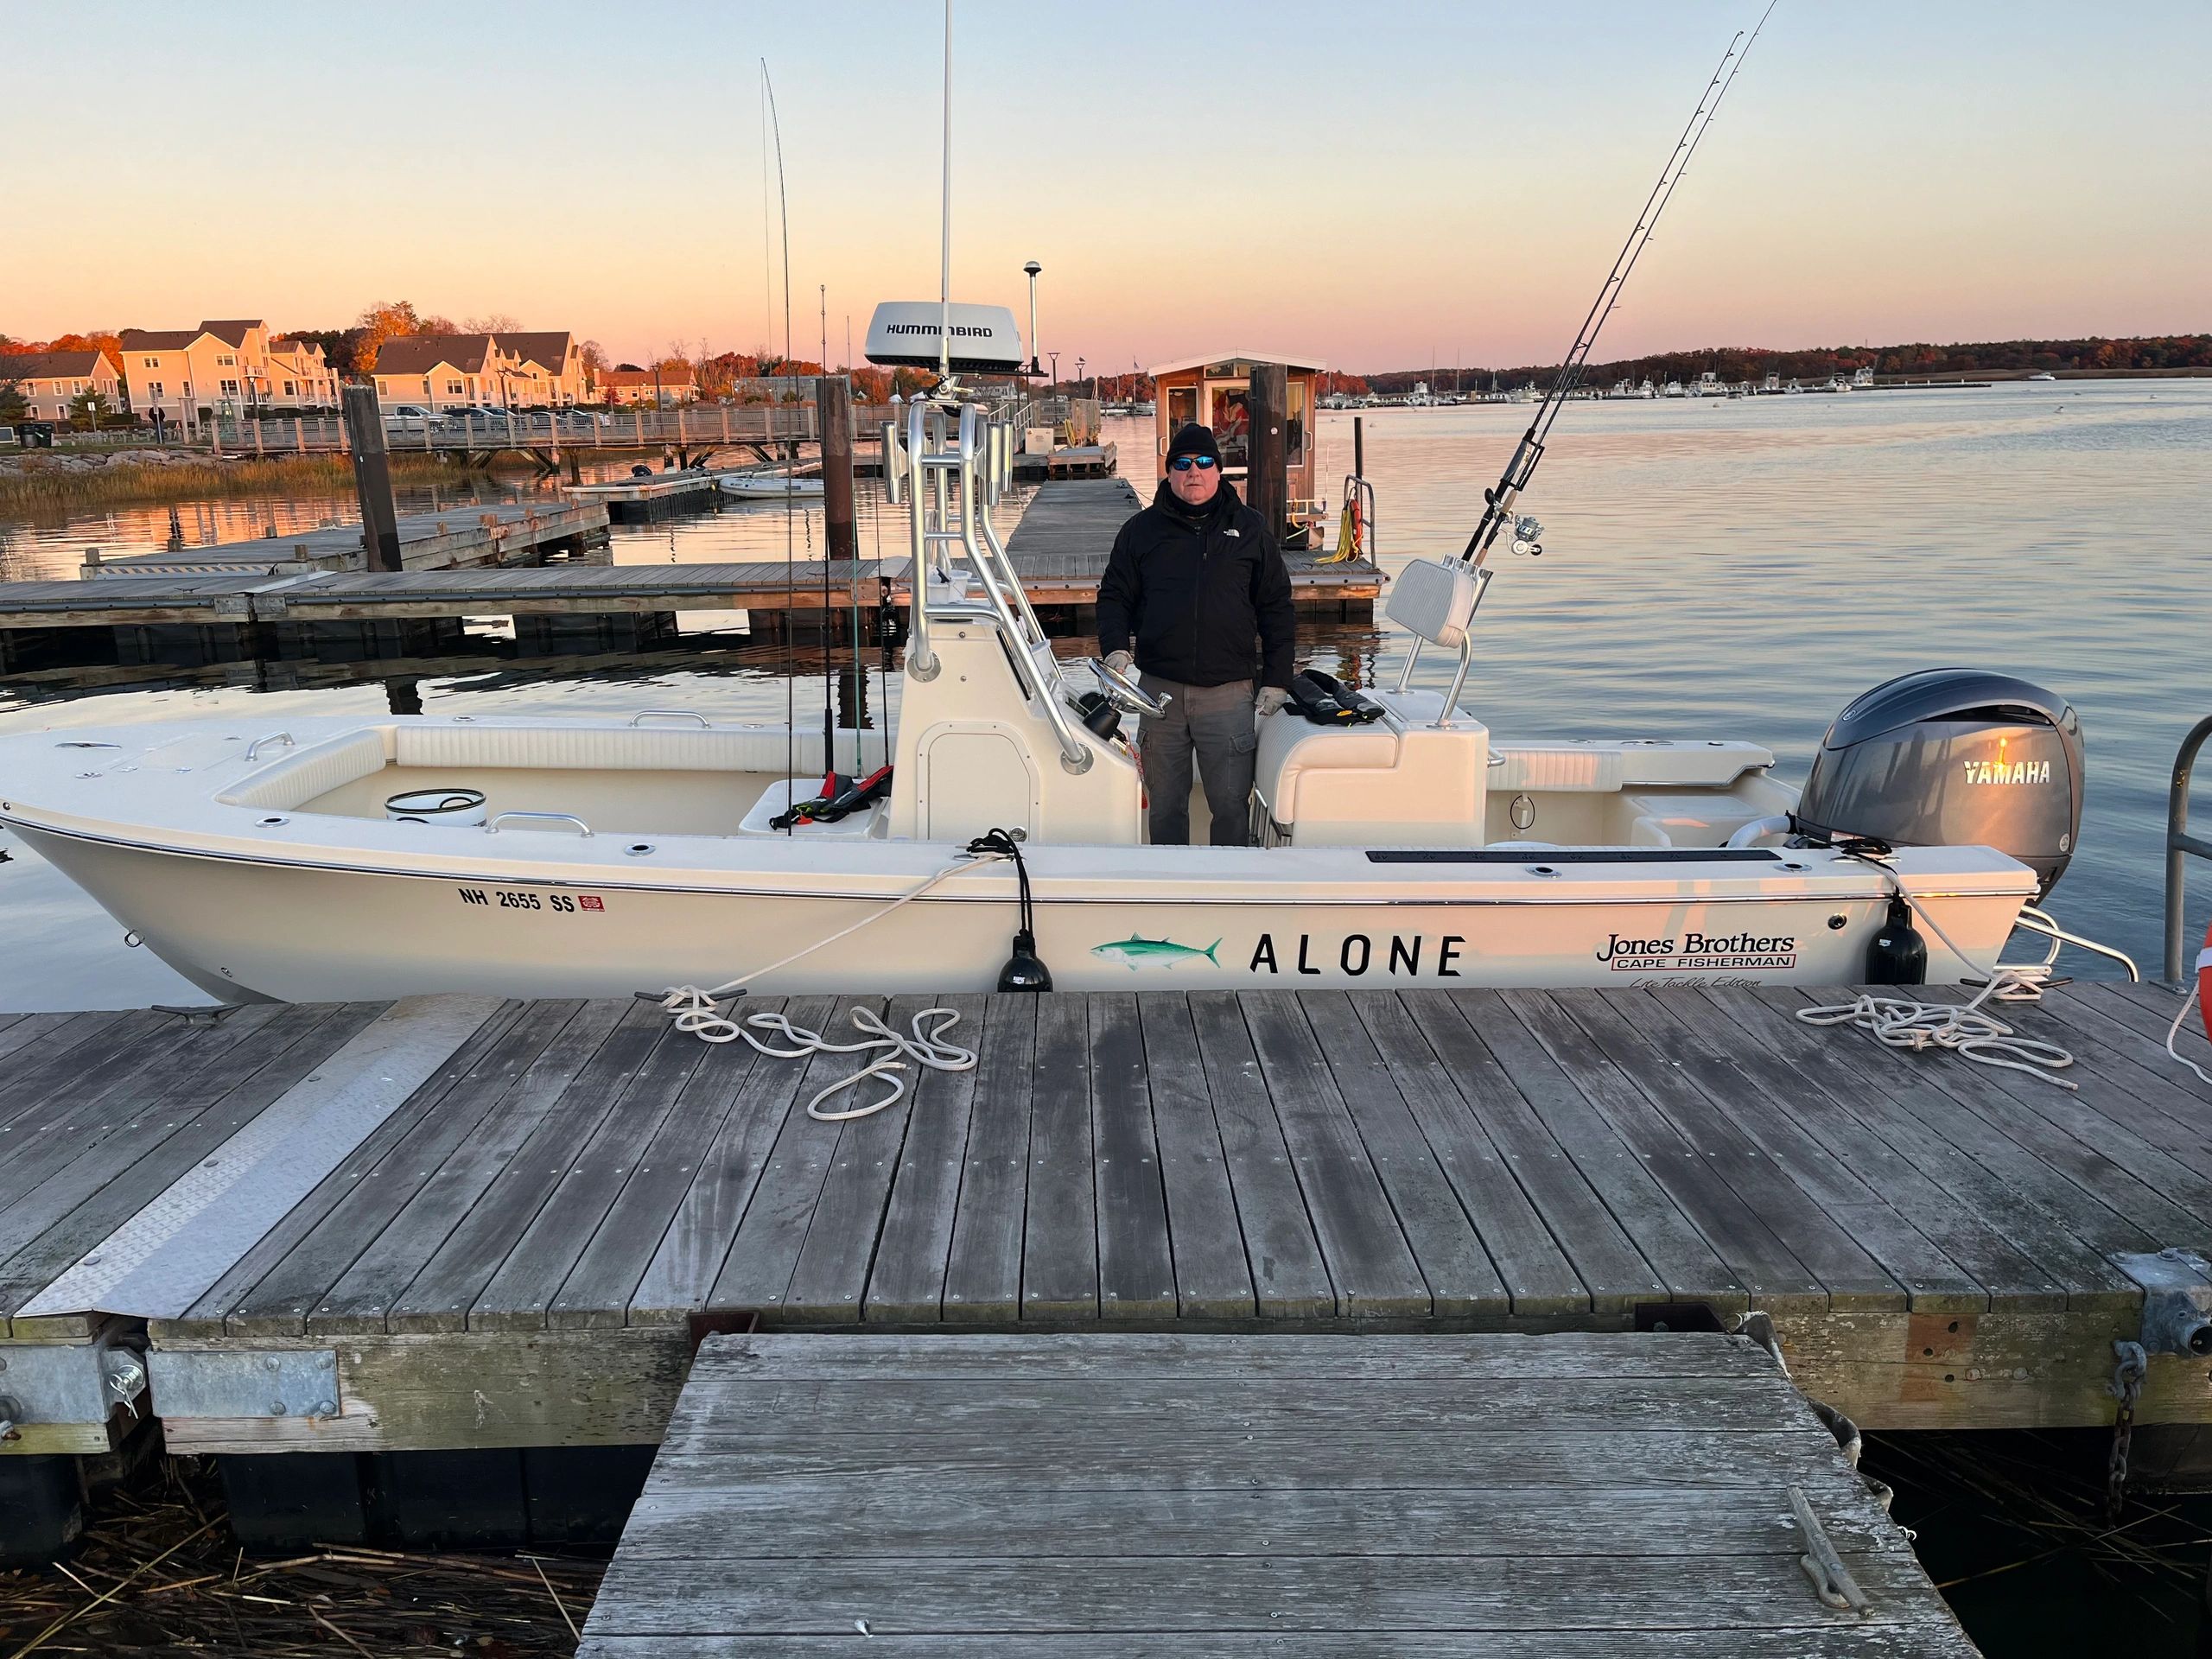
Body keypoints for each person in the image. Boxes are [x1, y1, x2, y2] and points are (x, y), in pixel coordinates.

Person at [1096, 423, 1295, 846]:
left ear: (1219, 471)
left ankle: (1231, 892)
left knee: (1229, 805)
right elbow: (1114, 596)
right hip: (1157, 696)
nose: (1194, 472)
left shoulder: (1251, 529)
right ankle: (1172, 895)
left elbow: (1276, 608)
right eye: (1183, 463)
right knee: (1165, 805)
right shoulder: (1140, 531)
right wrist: (1114, 649)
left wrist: (1277, 680)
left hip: (1229, 695)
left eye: (1205, 462)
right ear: (1169, 472)